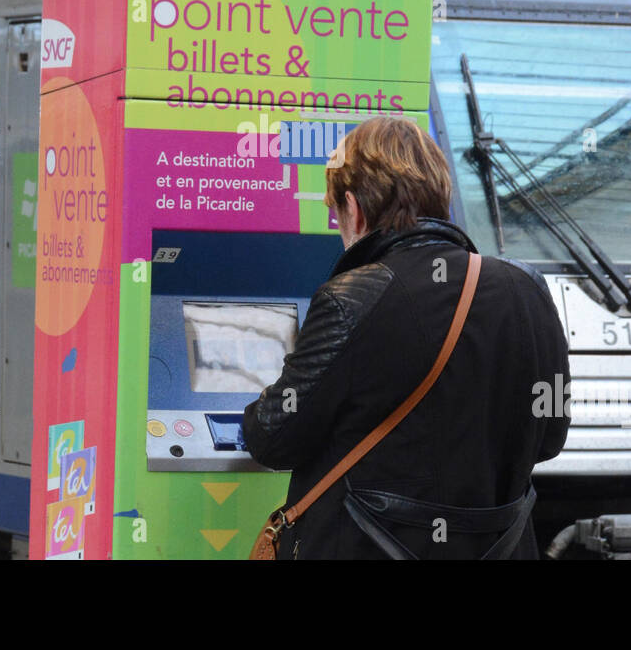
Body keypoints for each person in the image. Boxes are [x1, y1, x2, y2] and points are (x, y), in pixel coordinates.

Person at [242, 115, 571, 559]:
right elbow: (548, 437)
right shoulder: (526, 287)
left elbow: (273, 438)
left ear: (354, 208)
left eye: (334, 209)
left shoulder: (354, 296)